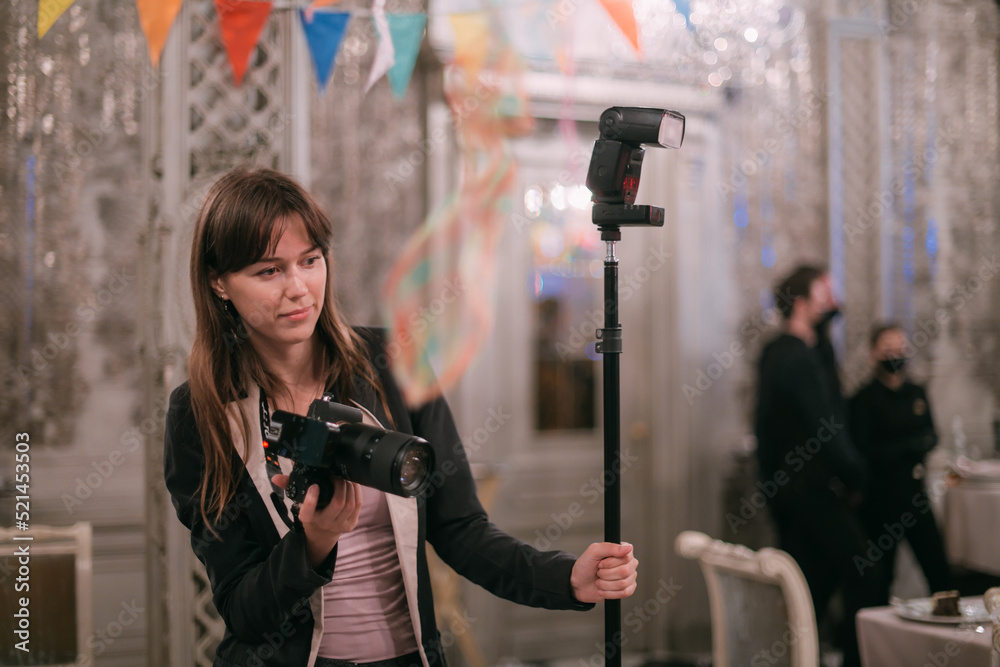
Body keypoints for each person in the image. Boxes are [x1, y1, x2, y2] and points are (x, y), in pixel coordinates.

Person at [163, 167, 639, 667]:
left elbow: (462, 530)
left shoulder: (391, 361)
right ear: (219, 283)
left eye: (310, 260)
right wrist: (315, 542)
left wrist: (565, 578)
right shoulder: (200, 414)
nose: (299, 288)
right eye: (268, 271)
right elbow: (244, 612)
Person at [753, 265, 881, 667]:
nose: (833, 300)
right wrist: (856, 473)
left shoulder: (796, 351)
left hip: (793, 490)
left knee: (813, 587)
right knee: (866, 574)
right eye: (824, 294)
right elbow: (825, 426)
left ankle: (802, 659)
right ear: (804, 304)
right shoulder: (793, 358)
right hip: (810, 489)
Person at [849, 323, 951, 599]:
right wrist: (907, 447)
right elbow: (864, 452)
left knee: (940, 571)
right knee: (879, 580)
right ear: (873, 354)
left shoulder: (916, 392)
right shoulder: (863, 400)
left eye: (901, 349)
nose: (896, 356)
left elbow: (931, 433)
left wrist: (919, 445)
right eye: (888, 350)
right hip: (880, 501)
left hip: (915, 494)